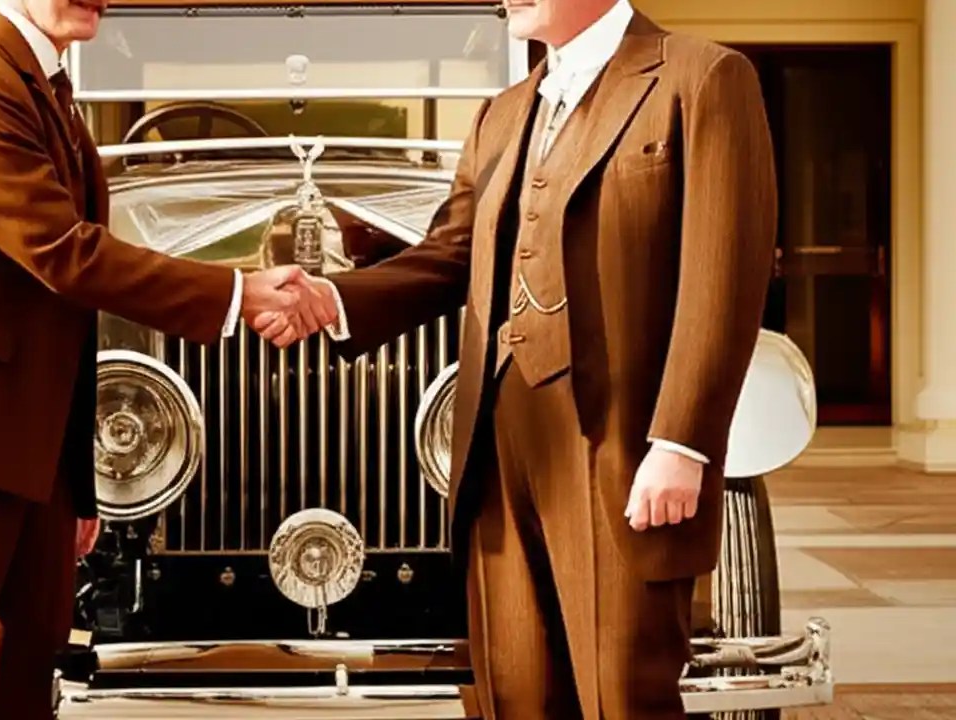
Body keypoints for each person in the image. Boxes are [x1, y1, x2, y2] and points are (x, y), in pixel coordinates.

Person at [254, 0, 778, 716]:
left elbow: (725, 271)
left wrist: (682, 440)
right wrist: (330, 298)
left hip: (620, 449)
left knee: (625, 696)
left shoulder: (705, 77)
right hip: (495, 452)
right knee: (514, 695)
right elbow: (450, 258)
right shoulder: (500, 114)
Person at [0, 0, 329, 717]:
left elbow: (65, 320)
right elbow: (62, 254)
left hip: (22, 450)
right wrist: (237, 290)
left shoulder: (48, 89)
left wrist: (76, 489)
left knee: (20, 682)